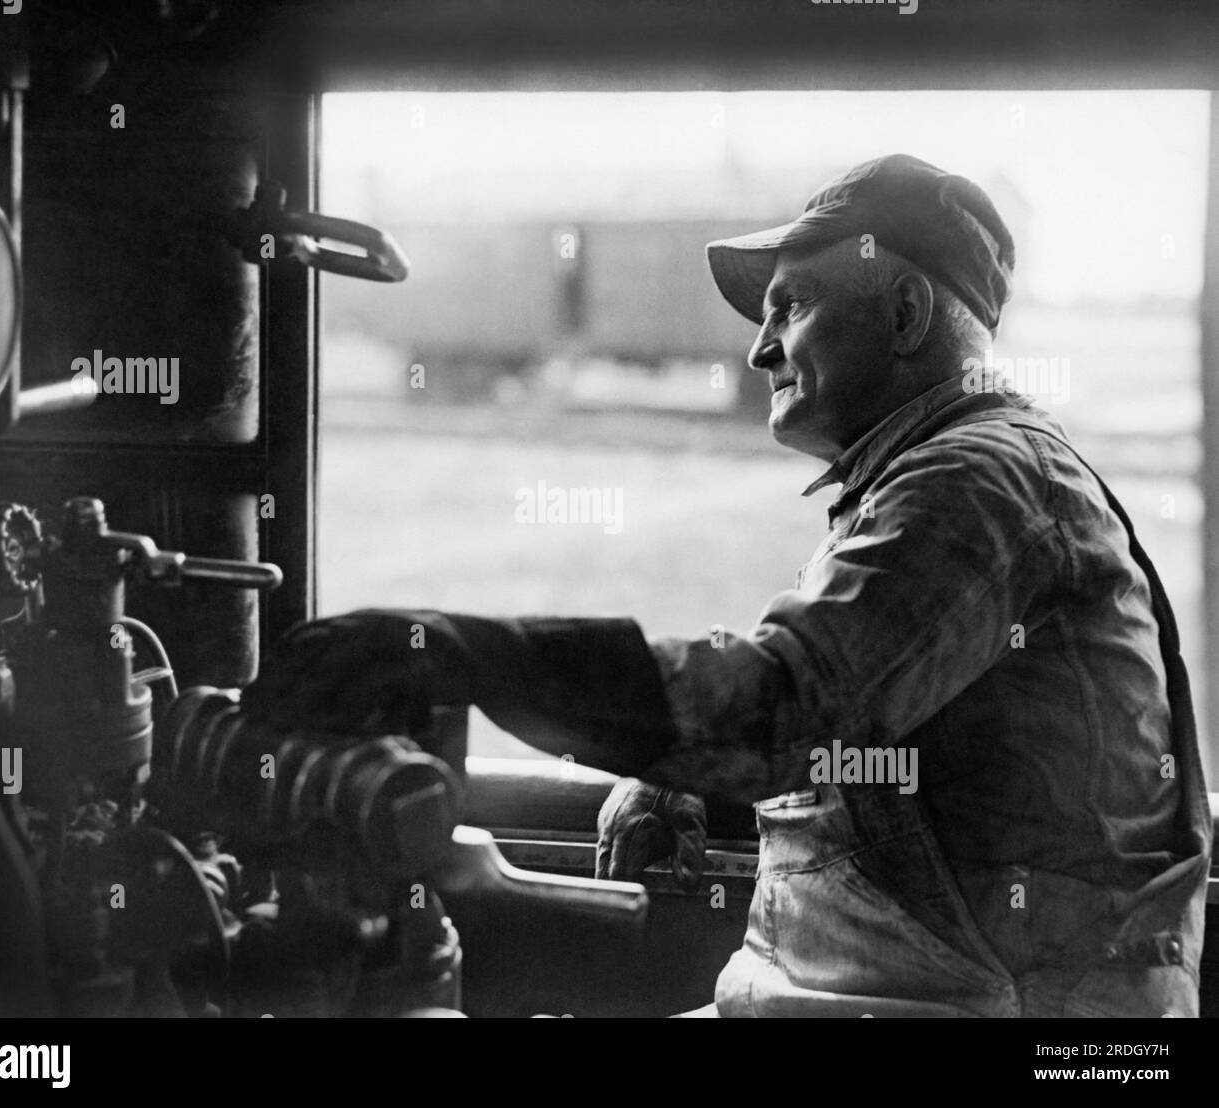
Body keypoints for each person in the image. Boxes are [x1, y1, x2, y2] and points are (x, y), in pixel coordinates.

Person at [243, 154, 1211, 1017]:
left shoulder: (976, 485)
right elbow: (874, 739)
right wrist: (708, 790)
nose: (758, 347)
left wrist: (456, 651)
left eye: (788, 305)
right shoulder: (943, 475)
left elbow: (782, 711)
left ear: (908, 312)